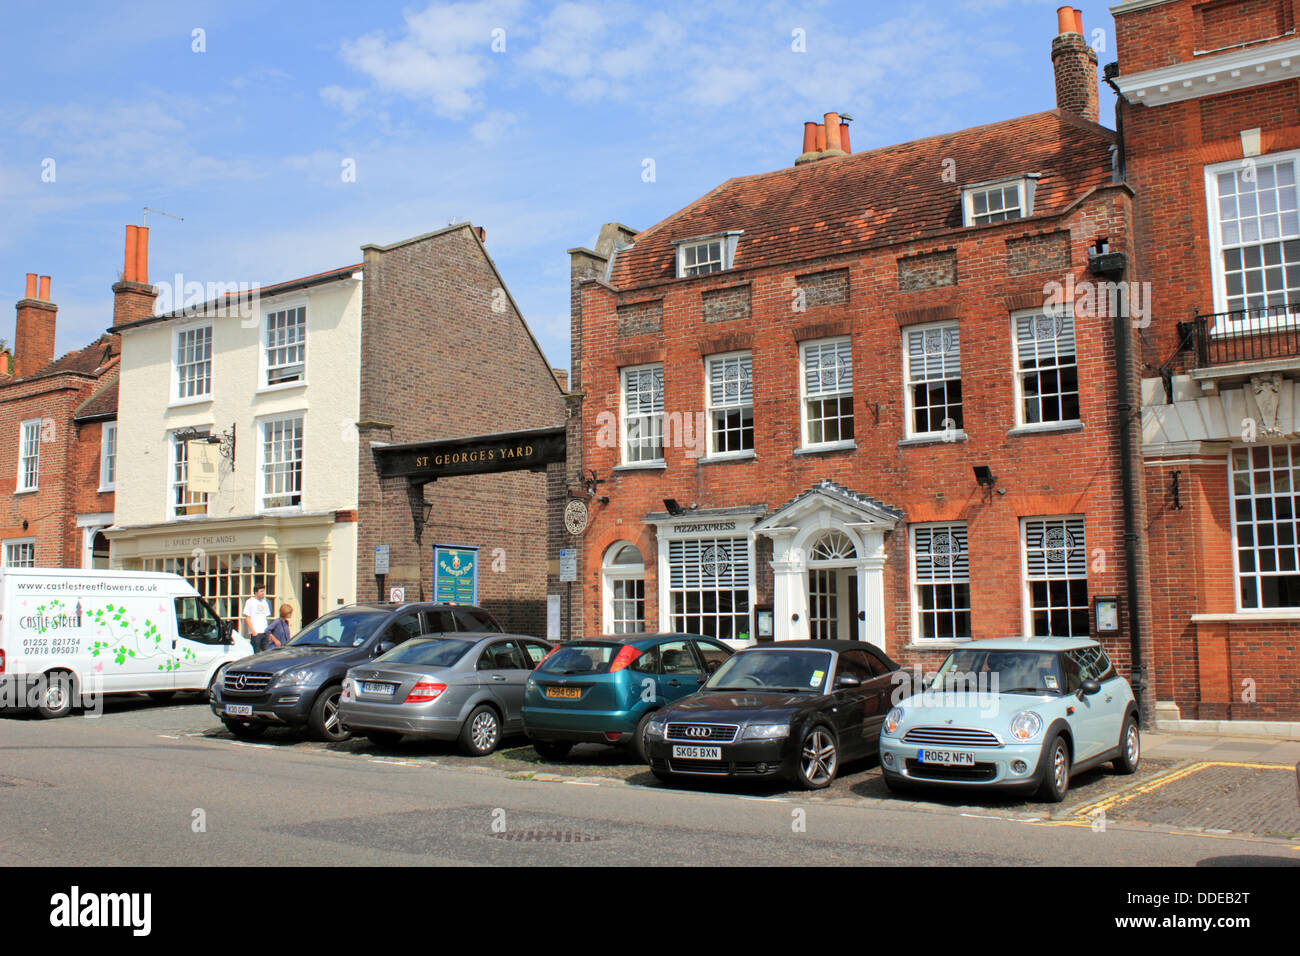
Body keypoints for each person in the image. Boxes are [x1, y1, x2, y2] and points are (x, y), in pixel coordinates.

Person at [242, 584, 272, 652]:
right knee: (256, 652)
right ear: (256, 592)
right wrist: (253, 631)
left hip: (264, 632)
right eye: (261, 591)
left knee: (266, 652)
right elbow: (247, 618)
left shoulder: (265, 602)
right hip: (256, 632)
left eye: (263, 591)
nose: (263, 593)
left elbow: (266, 618)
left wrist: (268, 632)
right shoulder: (250, 602)